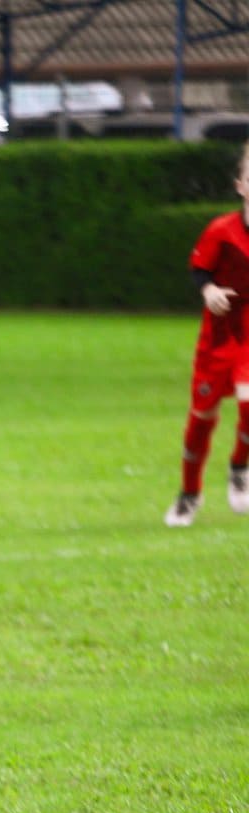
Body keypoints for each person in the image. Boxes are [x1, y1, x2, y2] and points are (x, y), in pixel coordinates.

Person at [169, 142, 249, 526]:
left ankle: (239, 467)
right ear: (241, 185)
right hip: (218, 337)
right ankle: (189, 493)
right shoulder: (221, 230)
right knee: (201, 419)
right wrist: (210, 291)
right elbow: (199, 269)